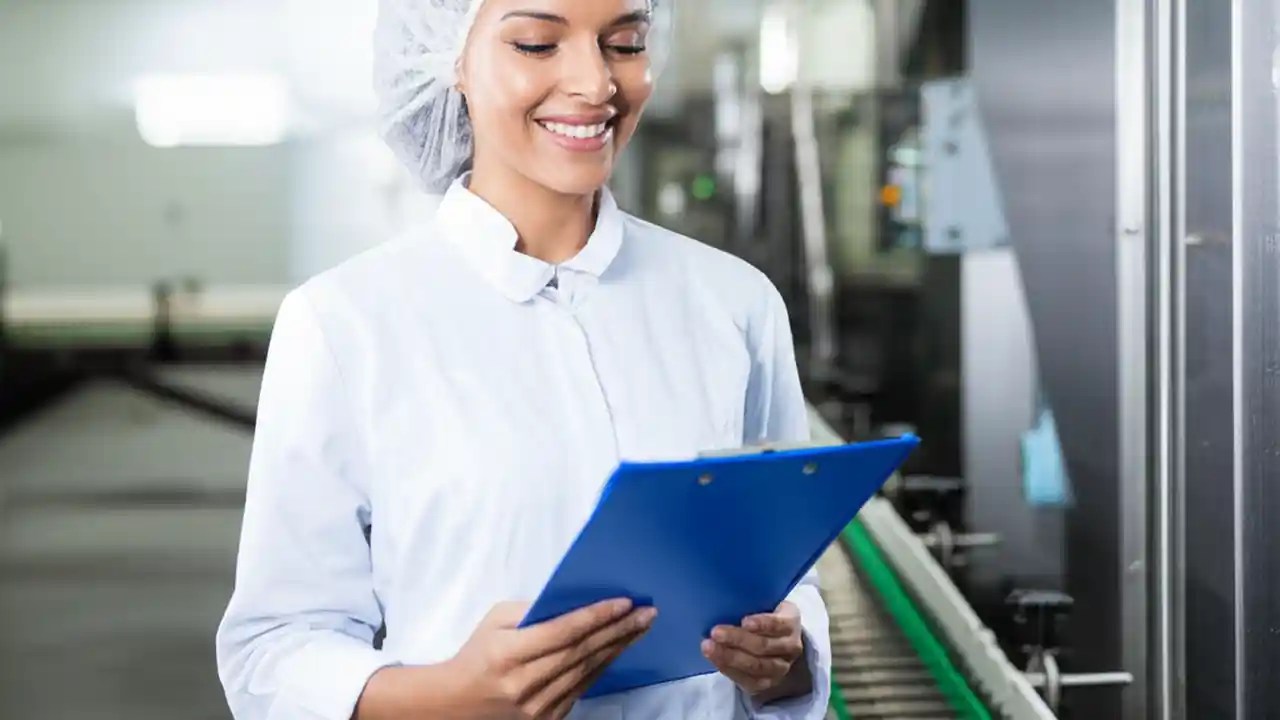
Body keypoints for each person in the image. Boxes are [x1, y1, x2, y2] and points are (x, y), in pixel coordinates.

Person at [215, 0, 832, 718]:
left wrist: (784, 660)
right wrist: (450, 697)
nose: (596, 83)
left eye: (625, 42)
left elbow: (789, 579)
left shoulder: (735, 304)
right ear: (450, 62)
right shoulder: (344, 324)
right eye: (537, 44)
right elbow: (274, 652)